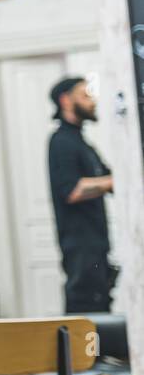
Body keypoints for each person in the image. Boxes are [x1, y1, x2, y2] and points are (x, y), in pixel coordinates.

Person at [47, 76, 117, 314]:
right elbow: (72, 190)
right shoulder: (61, 142)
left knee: (100, 306)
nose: (92, 101)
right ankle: (84, 353)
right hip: (80, 246)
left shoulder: (82, 144)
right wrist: (114, 181)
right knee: (85, 310)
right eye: (85, 95)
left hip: (97, 243)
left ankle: (97, 352)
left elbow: (111, 179)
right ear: (66, 100)